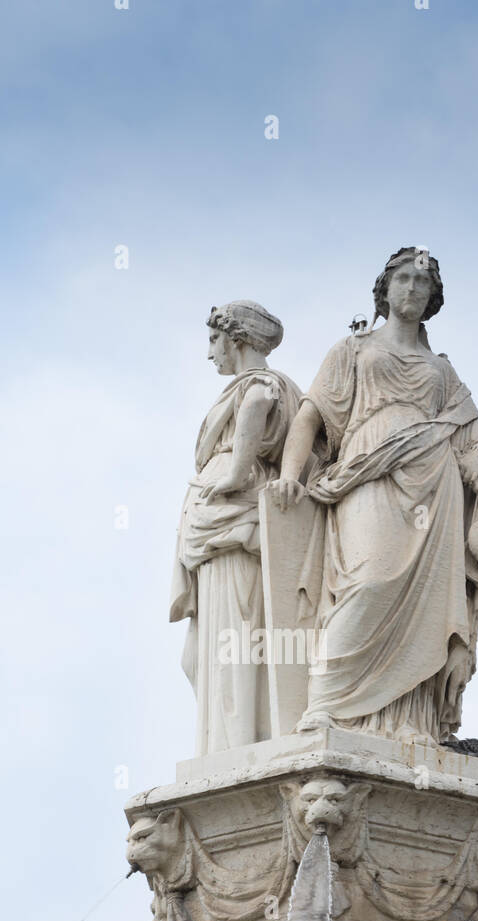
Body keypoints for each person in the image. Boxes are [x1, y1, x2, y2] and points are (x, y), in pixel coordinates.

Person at [267, 247, 478, 744]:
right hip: (366, 471)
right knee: (367, 581)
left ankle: (407, 722)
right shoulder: (352, 350)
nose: (412, 290)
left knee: (427, 601)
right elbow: (310, 418)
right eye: (403, 279)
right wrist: (290, 474)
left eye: (423, 284)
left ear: (433, 298)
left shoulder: (444, 372)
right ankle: (327, 705)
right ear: (385, 288)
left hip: (434, 487)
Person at [170, 301, 302, 754]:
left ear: (237, 339)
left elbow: (258, 403)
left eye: (213, 340)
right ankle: (232, 741)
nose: (210, 353)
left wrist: (234, 472)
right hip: (220, 518)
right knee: (208, 649)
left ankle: (236, 745)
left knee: (234, 634)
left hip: (232, 515)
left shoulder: (263, 384)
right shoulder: (268, 388)